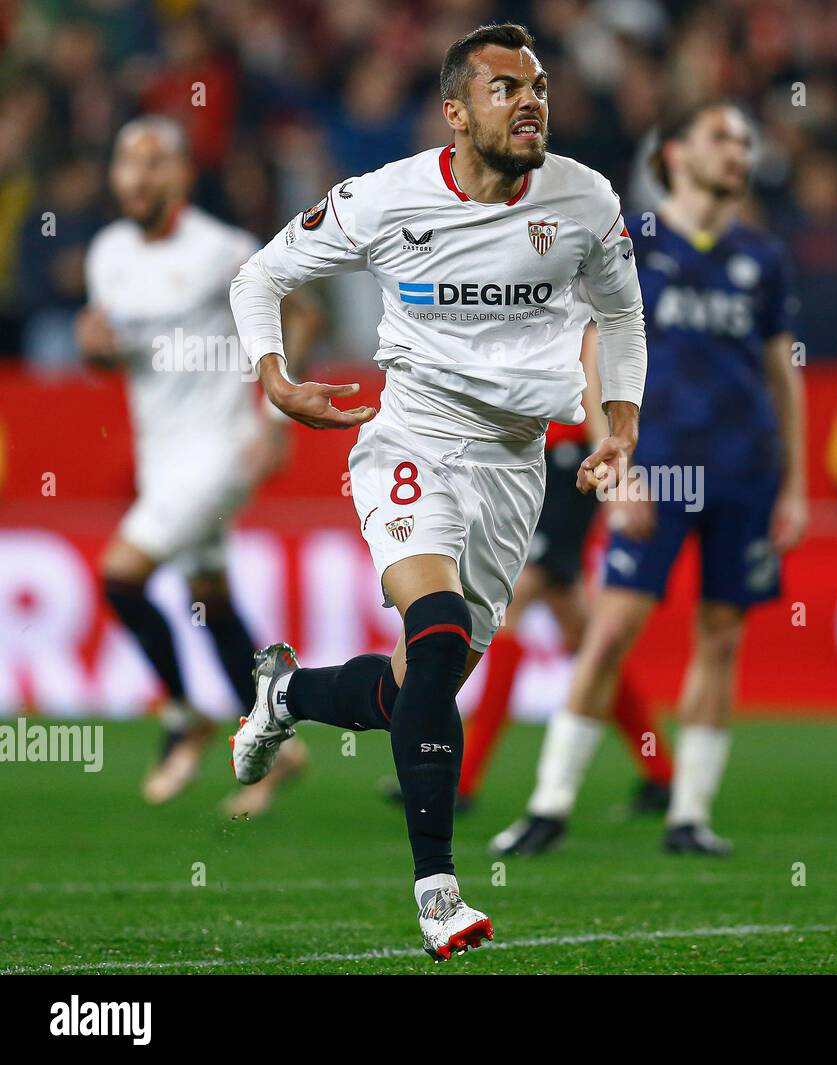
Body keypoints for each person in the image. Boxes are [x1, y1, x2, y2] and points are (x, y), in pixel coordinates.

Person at [226, 23, 646, 961]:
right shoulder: (386, 197)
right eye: (505, 88)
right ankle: (438, 891)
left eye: (537, 85)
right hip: (410, 436)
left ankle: (287, 694)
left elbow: (622, 315)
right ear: (456, 112)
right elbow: (260, 273)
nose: (530, 100)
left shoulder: (584, 200)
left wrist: (620, 421)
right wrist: (277, 376)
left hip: (514, 462)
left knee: (425, 682)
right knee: (440, 626)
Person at [491, 100, 806, 858]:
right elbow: (593, 347)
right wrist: (613, 460)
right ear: (674, 153)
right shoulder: (631, 237)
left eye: (743, 139)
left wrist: (792, 485)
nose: (737, 150)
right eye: (720, 137)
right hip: (656, 466)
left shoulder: (762, 256)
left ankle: (689, 814)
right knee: (610, 629)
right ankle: (550, 802)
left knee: (721, 635)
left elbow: (781, 374)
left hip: (743, 470)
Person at [78, 116, 314, 812]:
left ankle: (183, 716)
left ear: (181, 174)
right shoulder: (108, 251)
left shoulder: (222, 248)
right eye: (126, 162)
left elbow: (301, 315)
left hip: (222, 447)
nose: (138, 176)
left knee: (120, 575)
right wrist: (94, 350)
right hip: (161, 451)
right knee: (209, 597)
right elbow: (111, 355)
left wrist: (276, 416)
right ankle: (276, 740)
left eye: (154, 163)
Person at [454, 322, 673, 814]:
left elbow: (597, 379)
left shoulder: (587, 301)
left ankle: (460, 780)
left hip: (571, 459)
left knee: (509, 600)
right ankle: (662, 774)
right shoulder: (543, 291)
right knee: (582, 632)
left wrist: (609, 465)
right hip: (542, 458)